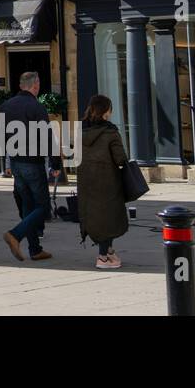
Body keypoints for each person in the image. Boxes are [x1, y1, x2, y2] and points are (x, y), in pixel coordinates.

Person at [0, 71, 61, 262]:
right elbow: (47, 137)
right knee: (43, 207)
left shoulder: (5, 107)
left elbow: (2, 137)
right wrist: (55, 162)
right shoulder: (36, 107)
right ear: (35, 86)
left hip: (16, 162)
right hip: (32, 162)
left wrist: (6, 163)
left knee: (28, 206)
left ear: (20, 85)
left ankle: (35, 249)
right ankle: (15, 235)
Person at [78, 95, 129, 269]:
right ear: (106, 111)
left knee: (94, 215)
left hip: (86, 180)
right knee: (109, 216)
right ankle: (103, 257)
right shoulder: (110, 132)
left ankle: (108, 251)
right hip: (107, 180)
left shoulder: (80, 130)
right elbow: (121, 159)